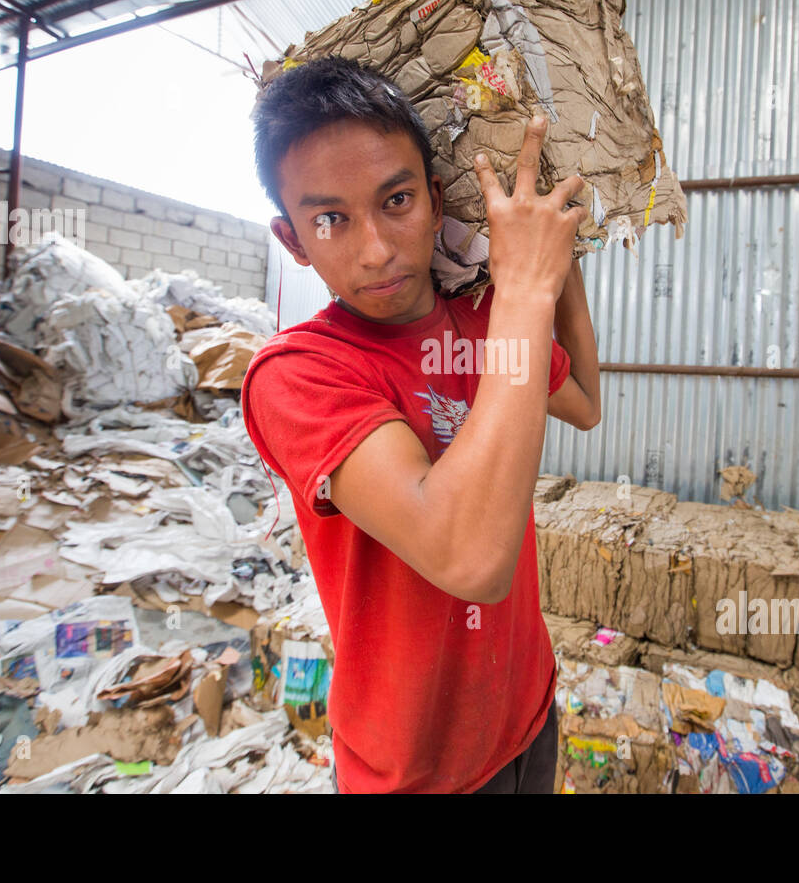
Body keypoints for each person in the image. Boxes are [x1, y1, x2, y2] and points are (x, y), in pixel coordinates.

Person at [241, 56, 601, 793]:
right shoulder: (299, 375)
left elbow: (586, 404)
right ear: (293, 240)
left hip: (527, 713)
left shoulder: (483, 321)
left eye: (396, 200)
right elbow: (470, 559)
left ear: (436, 202)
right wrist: (526, 290)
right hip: (415, 771)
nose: (374, 249)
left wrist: (556, 258)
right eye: (331, 219)